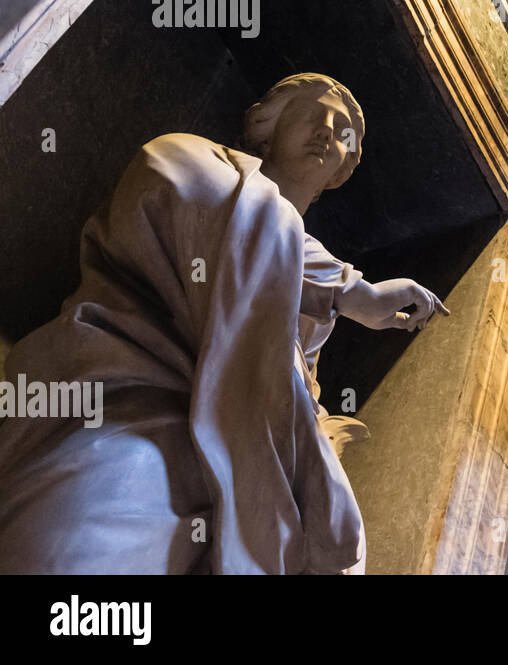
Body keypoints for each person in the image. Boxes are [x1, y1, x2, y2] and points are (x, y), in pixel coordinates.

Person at [0, 73, 447, 573]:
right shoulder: (194, 158)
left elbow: (283, 410)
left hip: (238, 490)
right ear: (266, 126)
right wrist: (349, 290)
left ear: (343, 169)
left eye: (344, 134)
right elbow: (183, 197)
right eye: (312, 114)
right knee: (66, 545)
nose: (328, 131)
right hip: (139, 400)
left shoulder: (314, 322)